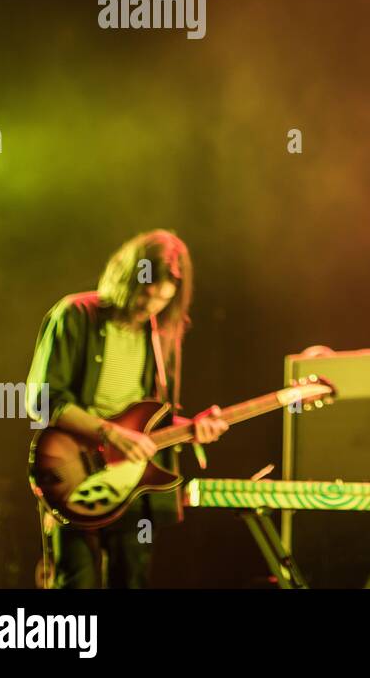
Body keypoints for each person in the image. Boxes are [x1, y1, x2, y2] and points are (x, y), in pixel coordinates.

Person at [25, 229, 228, 588]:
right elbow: (42, 400)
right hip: (76, 472)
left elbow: (156, 420)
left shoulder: (163, 335)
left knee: (131, 581)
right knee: (78, 583)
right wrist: (109, 431)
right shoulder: (75, 314)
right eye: (144, 294)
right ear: (126, 277)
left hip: (136, 486)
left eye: (161, 300)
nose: (148, 307)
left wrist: (194, 428)